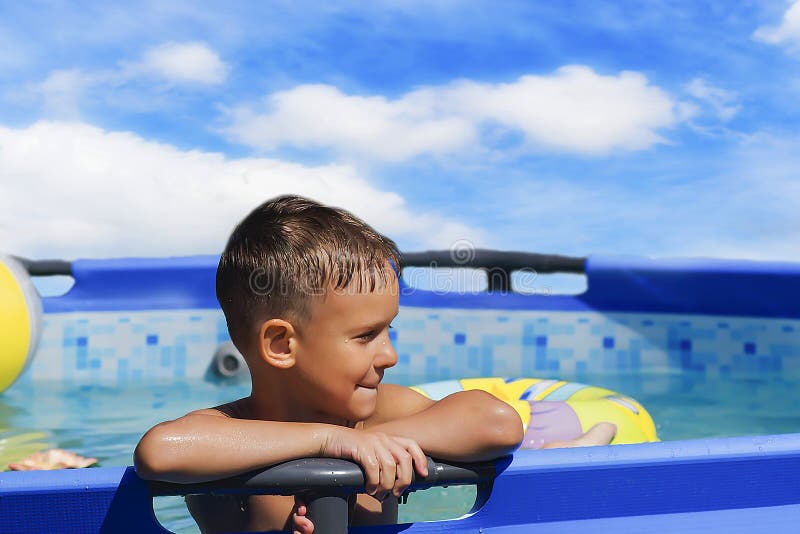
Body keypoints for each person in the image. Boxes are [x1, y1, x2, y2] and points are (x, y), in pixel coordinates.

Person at [134, 195, 616, 533]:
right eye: (366, 336)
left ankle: (564, 449)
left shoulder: (379, 416)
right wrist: (330, 441)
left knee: (524, 462)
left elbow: (496, 422)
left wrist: (371, 442)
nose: (390, 355)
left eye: (389, 331)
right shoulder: (231, 429)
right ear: (281, 344)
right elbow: (160, 452)